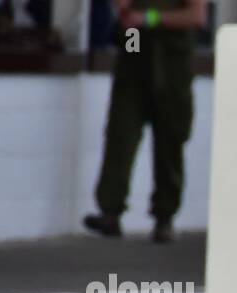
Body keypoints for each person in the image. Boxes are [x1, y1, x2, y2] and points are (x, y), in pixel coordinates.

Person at [82, 0, 205, 243]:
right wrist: (126, 14)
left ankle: (164, 216)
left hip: (172, 61)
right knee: (120, 135)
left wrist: (149, 18)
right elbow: (126, 15)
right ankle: (110, 210)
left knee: (170, 140)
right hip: (135, 52)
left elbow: (196, 16)